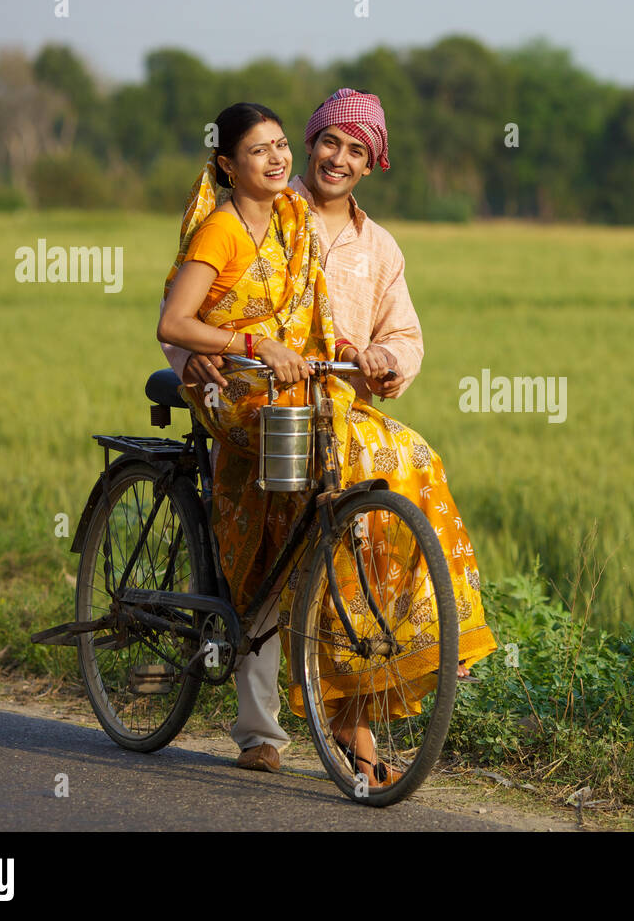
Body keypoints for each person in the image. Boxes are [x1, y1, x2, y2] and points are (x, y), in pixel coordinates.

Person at [157, 102, 497, 784]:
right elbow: (186, 314)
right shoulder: (275, 214)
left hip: (331, 405)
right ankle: (261, 730)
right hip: (261, 404)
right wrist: (190, 355)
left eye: (356, 152)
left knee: (385, 505)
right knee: (263, 558)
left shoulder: (381, 248)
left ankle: (431, 627)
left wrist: (374, 357)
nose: (336, 159)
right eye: (327, 144)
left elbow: (400, 339)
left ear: (372, 165)